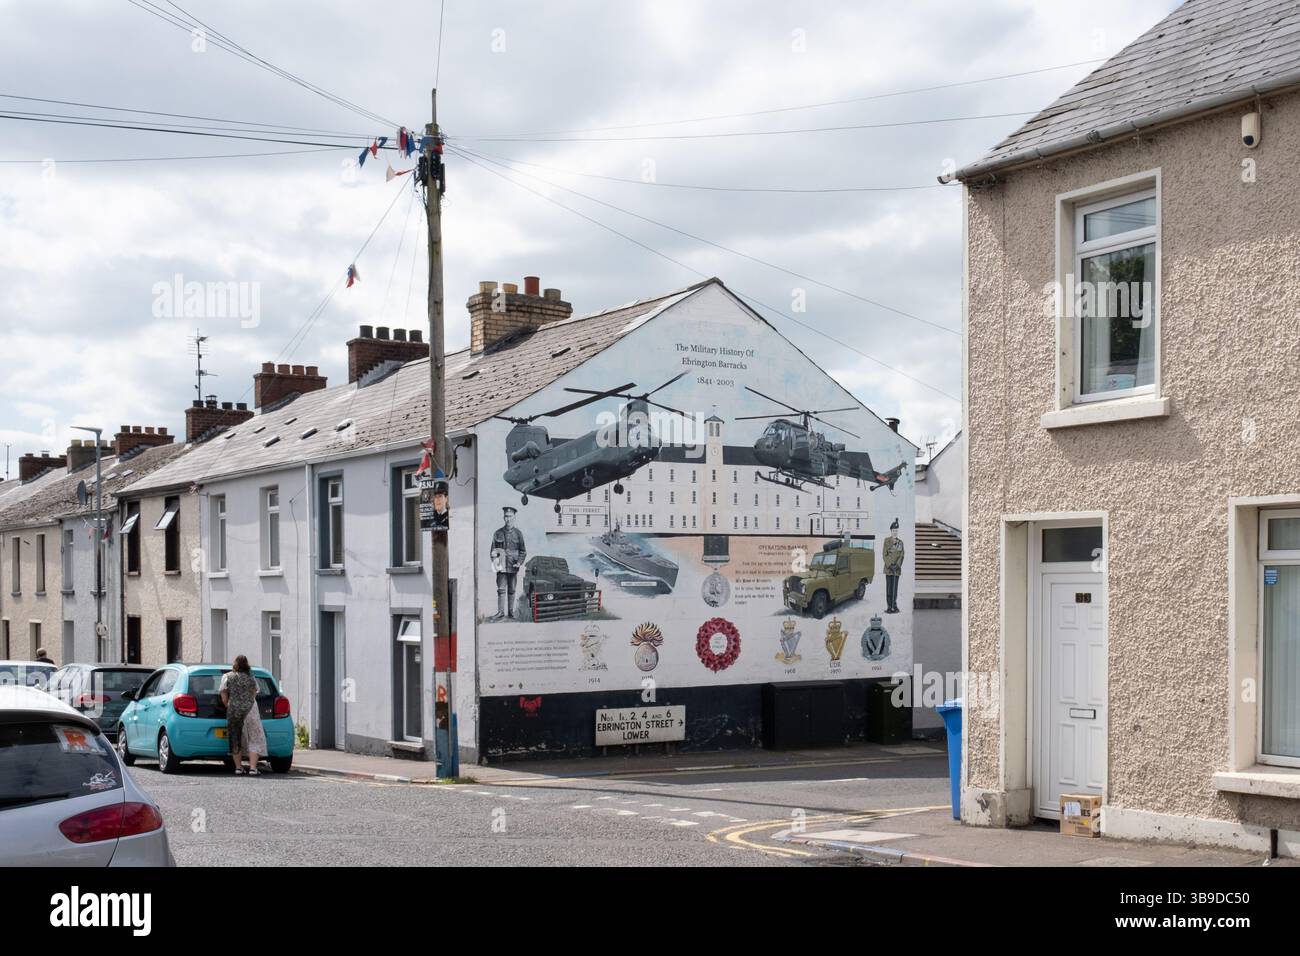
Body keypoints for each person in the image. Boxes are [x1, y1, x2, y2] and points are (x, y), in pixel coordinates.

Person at [220, 656, 261, 775]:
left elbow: (224, 697)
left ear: (235, 664)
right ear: (247, 665)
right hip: (251, 710)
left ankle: (238, 768)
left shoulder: (227, 677)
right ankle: (253, 768)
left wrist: (231, 706)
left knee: (235, 738)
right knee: (254, 737)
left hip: (234, 710)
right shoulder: (251, 677)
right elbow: (253, 694)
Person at [489, 506, 526, 620]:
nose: (508, 519)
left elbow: (523, 551)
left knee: (512, 590)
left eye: (510, 516)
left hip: (513, 566)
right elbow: (493, 551)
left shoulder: (518, 534)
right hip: (501, 568)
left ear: (514, 517)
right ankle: (500, 612)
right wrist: (496, 564)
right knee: (501, 590)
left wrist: (519, 563)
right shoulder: (497, 533)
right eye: (506, 516)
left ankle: (511, 612)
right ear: (503, 517)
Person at [882, 518, 906, 614]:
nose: (895, 532)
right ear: (891, 531)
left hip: (897, 569)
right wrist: (889, 565)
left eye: (896, 531)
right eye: (893, 531)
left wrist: (897, 565)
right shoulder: (886, 541)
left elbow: (902, 555)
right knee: (889, 589)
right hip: (888, 569)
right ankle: (889, 607)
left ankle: (894, 606)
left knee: (895, 589)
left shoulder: (900, 543)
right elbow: (884, 554)